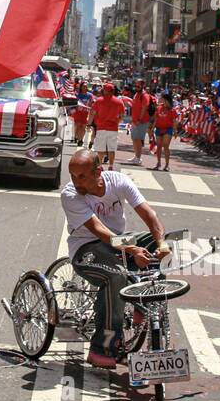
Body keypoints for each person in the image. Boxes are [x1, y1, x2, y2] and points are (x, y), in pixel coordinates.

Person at [61, 150, 171, 369]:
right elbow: (100, 231)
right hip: (86, 246)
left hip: (120, 242)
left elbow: (148, 213)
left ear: (98, 172)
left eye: (81, 176)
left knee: (153, 238)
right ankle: (102, 347)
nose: (76, 181)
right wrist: (132, 251)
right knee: (116, 277)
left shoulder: (118, 182)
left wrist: (161, 244)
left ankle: (144, 302)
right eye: (73, 175)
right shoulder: (70, 194)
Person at [90, 83, 124, 169]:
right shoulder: (119, 102)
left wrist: (88, 123)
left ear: (104, 90)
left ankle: (100, 166)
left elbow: (92, 113)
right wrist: (117, 122)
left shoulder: (99, 100)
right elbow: (121, 116)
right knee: (111, 149)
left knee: (100, 149)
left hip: (101, 127)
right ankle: (111, 166)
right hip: (113, 128)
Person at [128, 80, 154, 163]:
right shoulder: (136, 94)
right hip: (135, 120)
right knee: (134, 138)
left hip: (141, 121)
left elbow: (144, 108)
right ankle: (136, 156)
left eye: (138, 86)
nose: (136, 87)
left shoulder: (144, 95)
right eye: (136, 86)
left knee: (138, 139)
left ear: (143, 86)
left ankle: (138, 158)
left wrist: (139, 119)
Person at [151, 94, 176, 171]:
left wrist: (175, 131)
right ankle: (158, 163)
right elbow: (156, 118)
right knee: (158, 147)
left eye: (162, 98)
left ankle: (167, 165)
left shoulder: (172, 110)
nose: (160, 99)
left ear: (166, 100)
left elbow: (174, 121)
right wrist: (152, 127)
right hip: (159, 128)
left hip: (168, 129)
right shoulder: (158, 108)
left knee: (165, 146)